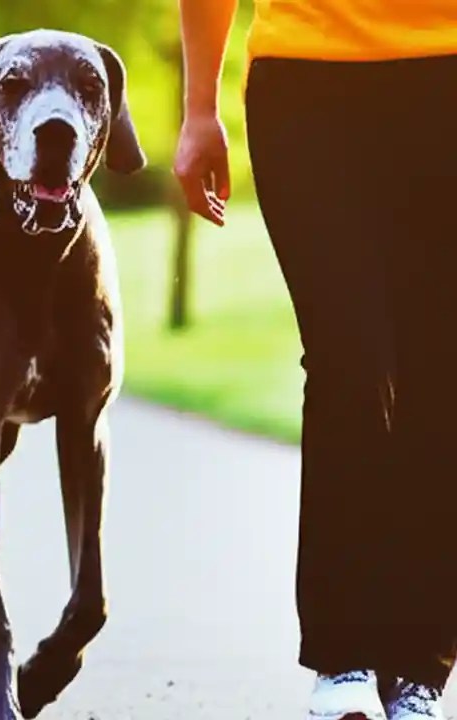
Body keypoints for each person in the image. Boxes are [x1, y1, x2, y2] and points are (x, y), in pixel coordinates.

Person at [175, 1, 457, 718]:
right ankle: (343, 657)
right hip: (306, 83)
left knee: (438, 375)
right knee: (348, 363)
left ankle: (421, 666)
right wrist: (198, 107)